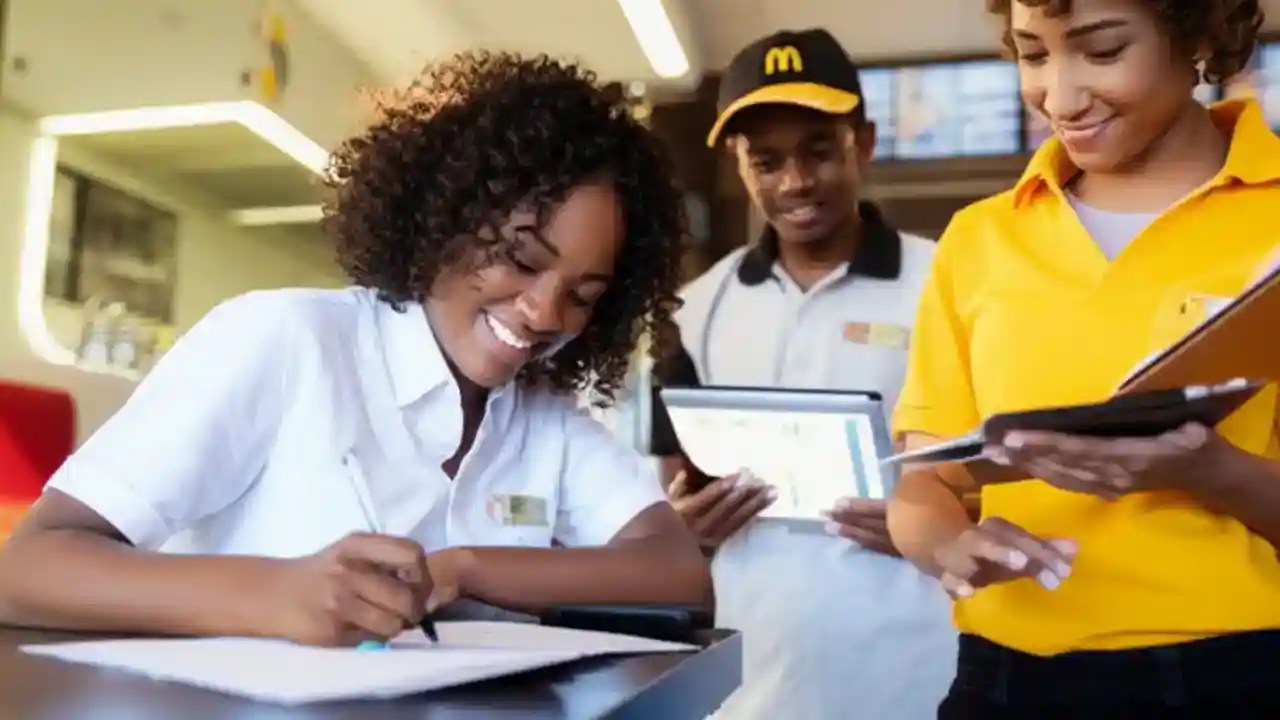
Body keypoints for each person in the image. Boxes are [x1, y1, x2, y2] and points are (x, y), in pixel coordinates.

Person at [0, 51, 708, 646]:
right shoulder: (286, 340)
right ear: (447, 220)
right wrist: (272, 594)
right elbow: (26, 569)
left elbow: (680, 576)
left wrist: (462, 568)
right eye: (519, 260)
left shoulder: (542, 414)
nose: (543, 312)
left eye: (582, 295)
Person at [887, 0, 1280, 716]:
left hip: (1238, 675)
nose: (1060, 98)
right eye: (1033, 54)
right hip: (1003, 681)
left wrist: (1212, 471)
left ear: (1199, 32)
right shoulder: (978, 240)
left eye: (1101, 51)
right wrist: (949, 546)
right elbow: (925, 486)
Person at [653, 28, 957, 720]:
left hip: (919, 671)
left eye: (819, 151)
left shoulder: (946, 281)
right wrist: (687, 526)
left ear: (864, 143)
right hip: (758, 680)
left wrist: (936, 522)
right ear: (739, 166)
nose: (794, 182)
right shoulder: (698, 309)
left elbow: (1006, 464)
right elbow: (668, 488)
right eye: (766, 161)